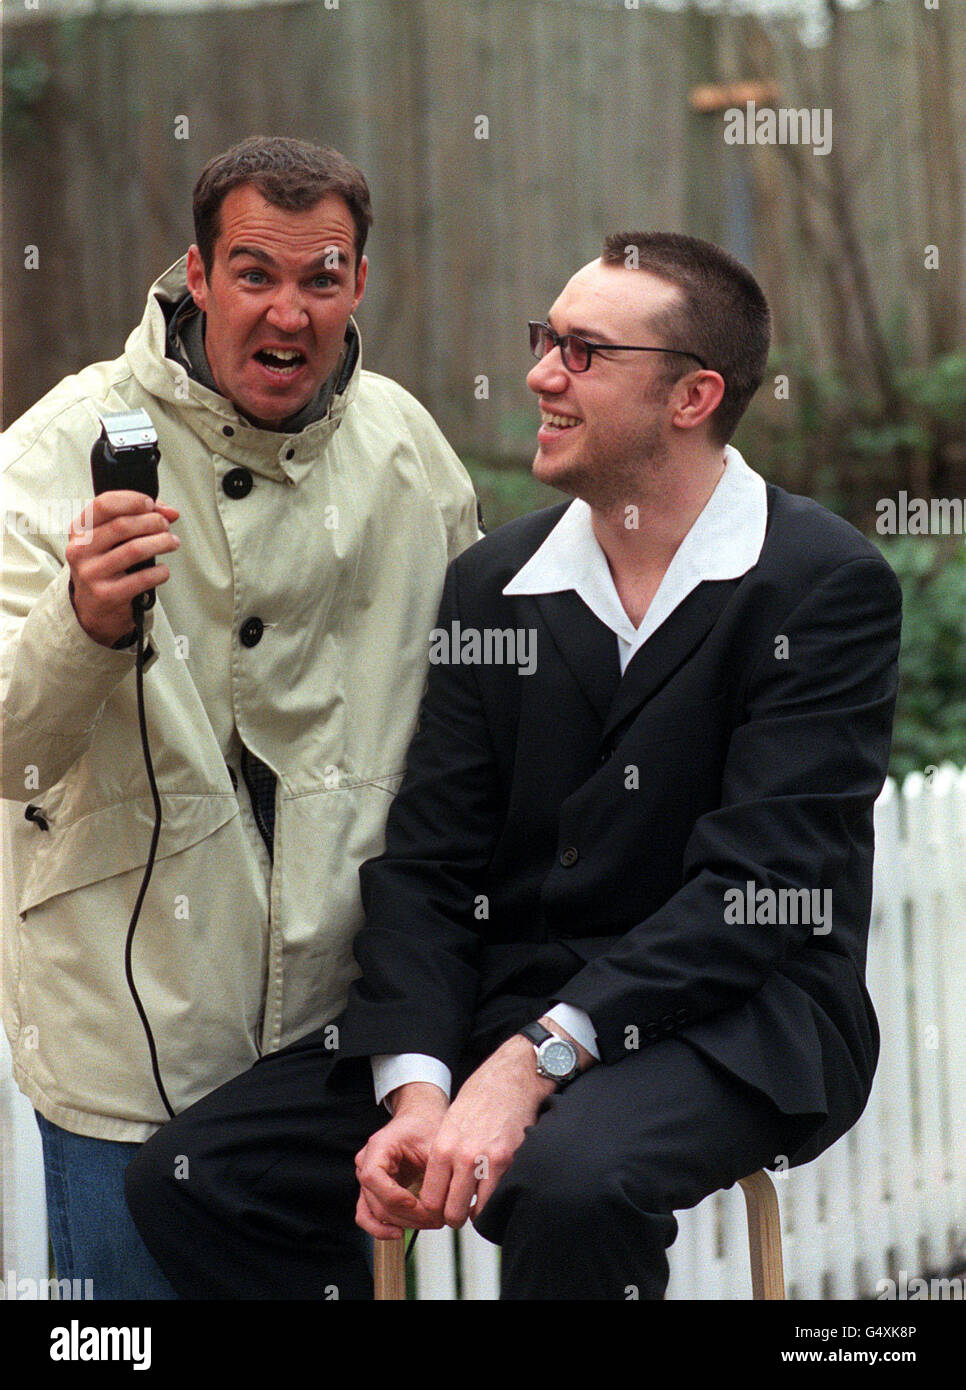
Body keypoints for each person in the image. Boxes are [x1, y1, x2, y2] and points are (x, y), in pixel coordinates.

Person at [125, 231, 902, 1300]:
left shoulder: (820, 584)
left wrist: (532, 1063)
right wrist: (417, 1087)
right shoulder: (493, 585)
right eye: (547, 340)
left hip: (740, 1014)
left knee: (569, 1182)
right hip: (510, 1004)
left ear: (692, 396)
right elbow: (432, 864)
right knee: (201, 1173)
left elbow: (760, 893)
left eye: (583, 351)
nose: (540, 372)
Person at [0, 135, 479, 1299]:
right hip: (130, 1024)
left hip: (330, 1048)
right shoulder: (51, 451)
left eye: (322, 277)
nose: (289, 310)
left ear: (360, 283)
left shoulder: (411, 452)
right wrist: (86, 625)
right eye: (255, 274)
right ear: (199, 276)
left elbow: (473, 738)